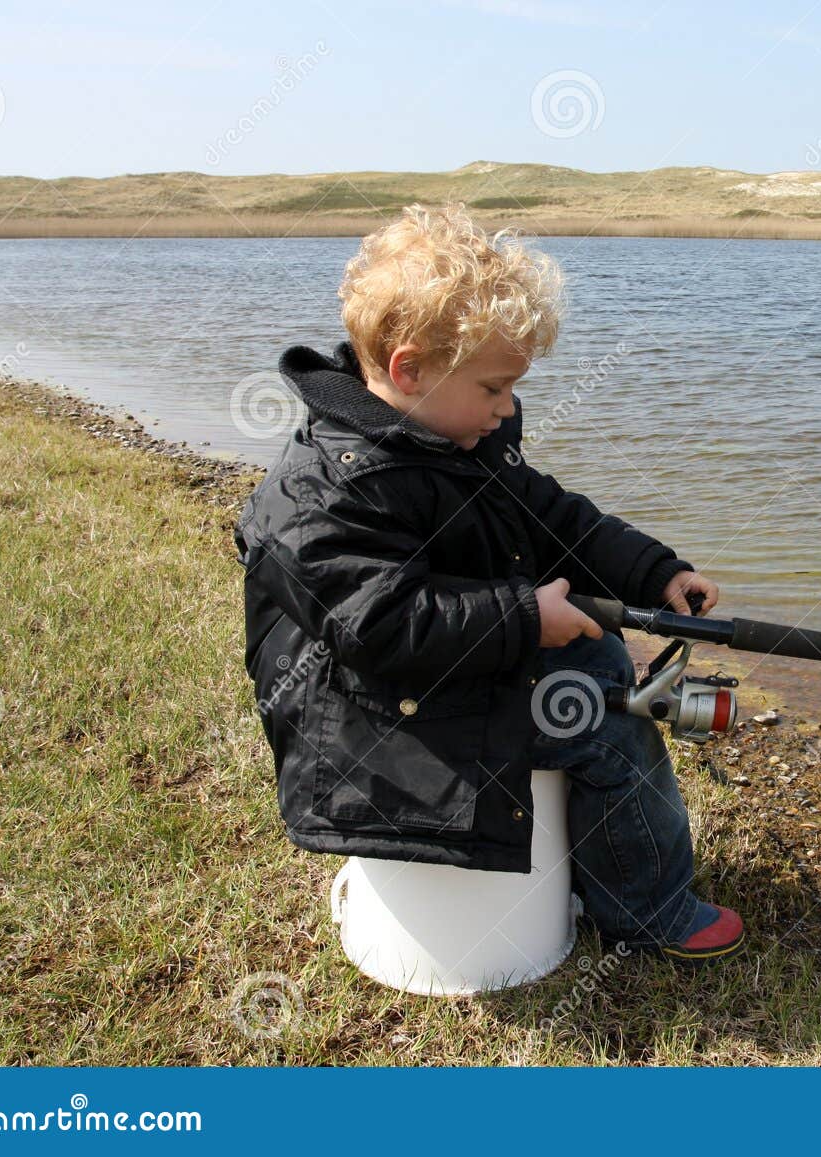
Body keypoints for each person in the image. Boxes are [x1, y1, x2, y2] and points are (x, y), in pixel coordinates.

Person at [233, 203, 743, 964]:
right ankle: (650, 909)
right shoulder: (327, 491)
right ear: (409, 370)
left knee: (602, 661)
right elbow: (381, 627)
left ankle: (594, 871)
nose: (508, 407)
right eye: (495, 388)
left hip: (415, 683)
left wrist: (653, 570)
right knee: (604, 717)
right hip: (361, 722)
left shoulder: (451, 436)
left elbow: (552, 519)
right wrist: (523, 618)